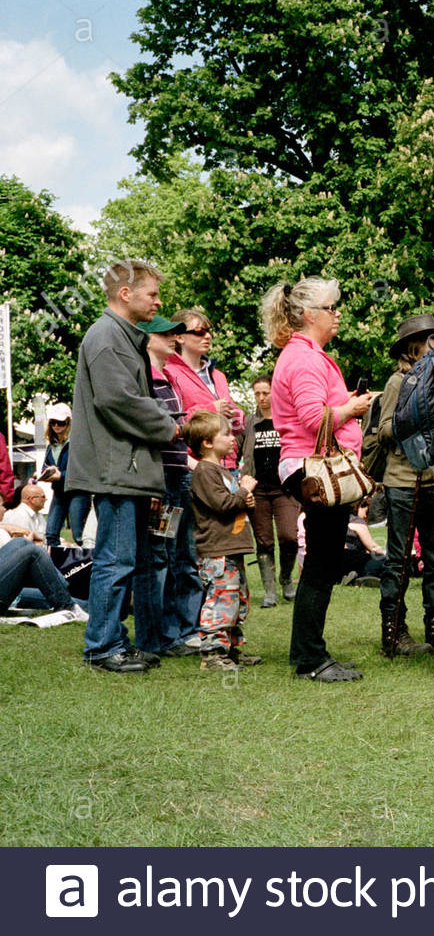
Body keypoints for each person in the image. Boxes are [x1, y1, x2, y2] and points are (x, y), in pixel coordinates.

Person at [66, 259, 188, 673]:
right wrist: (169, 427)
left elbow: (126, 399)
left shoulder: (120, 336)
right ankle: (101, 646)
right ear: (125, 294)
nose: (158, 302)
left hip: (127, 465)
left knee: (125, 560)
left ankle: (114, 639)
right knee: (115, 560)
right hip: (117, 467)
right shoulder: (106, 337)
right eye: (152, 294)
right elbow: (117, 401)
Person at [264, 277, 375, 683]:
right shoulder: (305, 359)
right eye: (332, 307)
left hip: (308, 469)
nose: (338, 313)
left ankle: (308, 652)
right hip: (314, 470)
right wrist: (352, 406)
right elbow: (315, 419)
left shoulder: (303, 355)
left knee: (322, 563)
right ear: (310, 315)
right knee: (321, 565)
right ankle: (310, 658)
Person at [376, 313, 434, 658]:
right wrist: (415, 421)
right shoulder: (397, 382)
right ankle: (393, 632)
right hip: (403, 481)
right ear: (414, 347)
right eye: (432, 340)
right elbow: (384, 431)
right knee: (398, 559)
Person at [145, 316, 205, 657]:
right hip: (163, 482)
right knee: (161, 558)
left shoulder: (168, 377)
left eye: (175, 332)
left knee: (185, 555)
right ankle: (164, 636)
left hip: (178, 476)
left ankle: (187, 630)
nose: (174, 337)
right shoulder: (147, 379)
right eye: (166, 333)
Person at [183, 410, 261, 672]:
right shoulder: (205, 471)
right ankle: (213, 654)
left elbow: (233, 503)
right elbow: (222, 503)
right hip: (217, 551)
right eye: (226, 434)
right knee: (221, 600)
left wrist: (245, 500)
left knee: (237, 600)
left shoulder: (223, 471)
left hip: (232, 548)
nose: (232, 438)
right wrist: (245, 490)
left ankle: (231, 649)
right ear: (207, 442)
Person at [241, 375, 300, 608]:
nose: (262, 398)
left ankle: (286, 578)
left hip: (284, 489)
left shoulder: (286, 419)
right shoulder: (250, 422)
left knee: (289, 536)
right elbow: (239, 450)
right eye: (257, 393)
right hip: (258, 489)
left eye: (266, 393)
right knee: (263, 541)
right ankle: (269, 592)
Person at [165, 308, 246, 468]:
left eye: (208, 331)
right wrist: (211, 409)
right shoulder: (168, 372)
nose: (208, 336)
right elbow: (170, 421)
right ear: (179, 337)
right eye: (199, 332)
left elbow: (235, 425)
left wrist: (236, 415)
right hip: (193, 465)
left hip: (227, 464)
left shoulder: (218, 376)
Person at [41, 403, 91, 545]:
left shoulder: (78, 442)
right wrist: (45, 475)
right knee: (51, 534)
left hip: (77, 491)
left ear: (68, 422)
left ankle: (86, 563)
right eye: (53, 422)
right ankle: (53, 565)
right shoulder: (51, 445)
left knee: (78, 534)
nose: (56, 426)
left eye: (61, 423)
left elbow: (83, 469)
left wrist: (61, 475)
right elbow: (45, 466)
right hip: (59, 491)